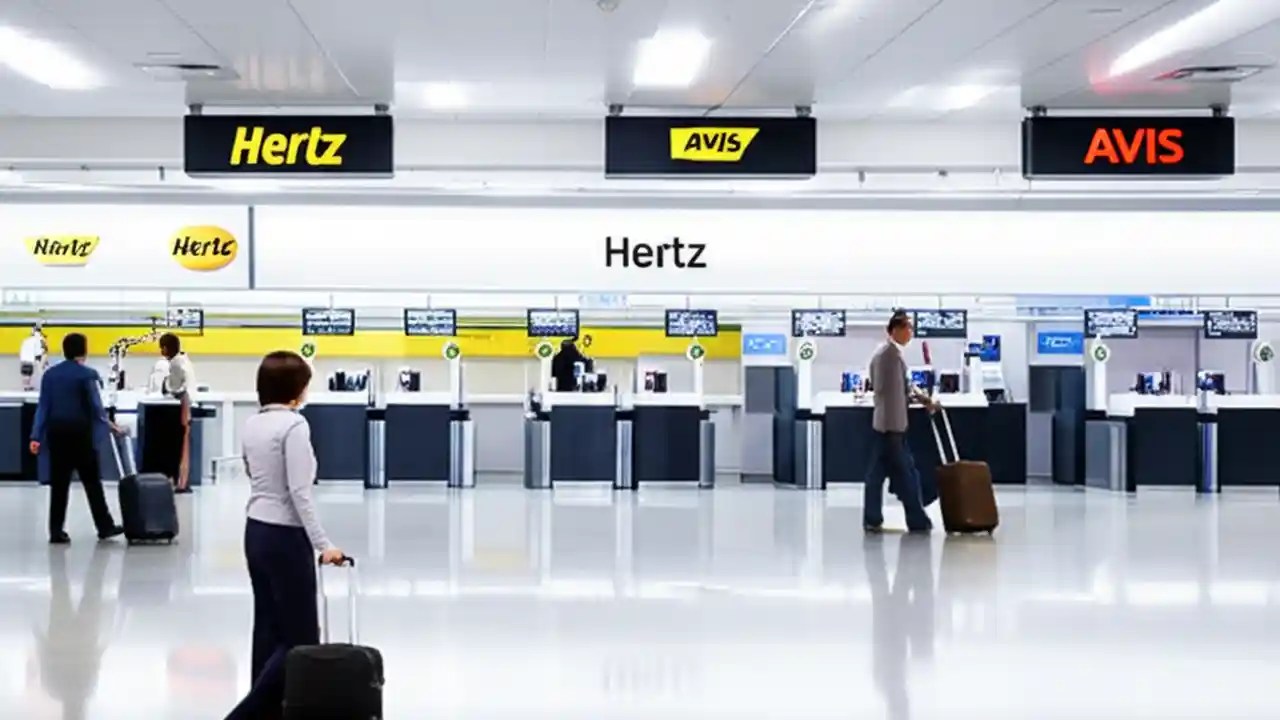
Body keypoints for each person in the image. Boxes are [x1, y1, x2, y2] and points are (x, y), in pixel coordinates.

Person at [227, 350, 345, 720]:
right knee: (300, 637)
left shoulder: (252, 425)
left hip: (255, 531)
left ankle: (269, 711)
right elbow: (299, 492)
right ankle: (246, 714)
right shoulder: (294, 426)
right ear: (296, 388)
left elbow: (253, 473)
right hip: (284, 536)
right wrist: (324, 545)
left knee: (267, 626)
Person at [29, 333, 124, 544]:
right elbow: (96, 408)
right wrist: (111, 427)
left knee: (59, 485)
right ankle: (104, 526)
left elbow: (43, 407)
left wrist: (36, 436)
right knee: (92, 483)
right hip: (81, 436)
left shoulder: (50, 375)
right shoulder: (87, 375)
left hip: (57, 435)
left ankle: (56, 531)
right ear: (85, 350)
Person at [865, 311, 936, 533]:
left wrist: (919, 398)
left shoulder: (886, 354)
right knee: (907, 474)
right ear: (895, 329)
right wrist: (920, 399)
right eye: (908, 328)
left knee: (876, 475)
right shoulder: (890, 356)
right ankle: (917, 520)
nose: (911, 333)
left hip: (884, 424)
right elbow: (896, 392)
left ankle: (872, 518)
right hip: (892, 426)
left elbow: (899, 388)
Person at [158, 333, 196, 493]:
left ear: (166, 348)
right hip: (187, 405)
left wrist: (165, 385)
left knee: (182, 447)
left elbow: (173, 388)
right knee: (184, 445)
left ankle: (181, 483)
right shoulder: (184, 360)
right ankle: (181, 481)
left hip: (183, 406)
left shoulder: (175, 364)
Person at [19, 324, 47, 391]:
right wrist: (42, 361)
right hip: (32, 358)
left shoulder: (26, 340)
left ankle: (26, 386)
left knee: (26, 373)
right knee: (36, 372)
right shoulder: (40, 340)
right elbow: (42, 351)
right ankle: (29, 386)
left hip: (24, 359)